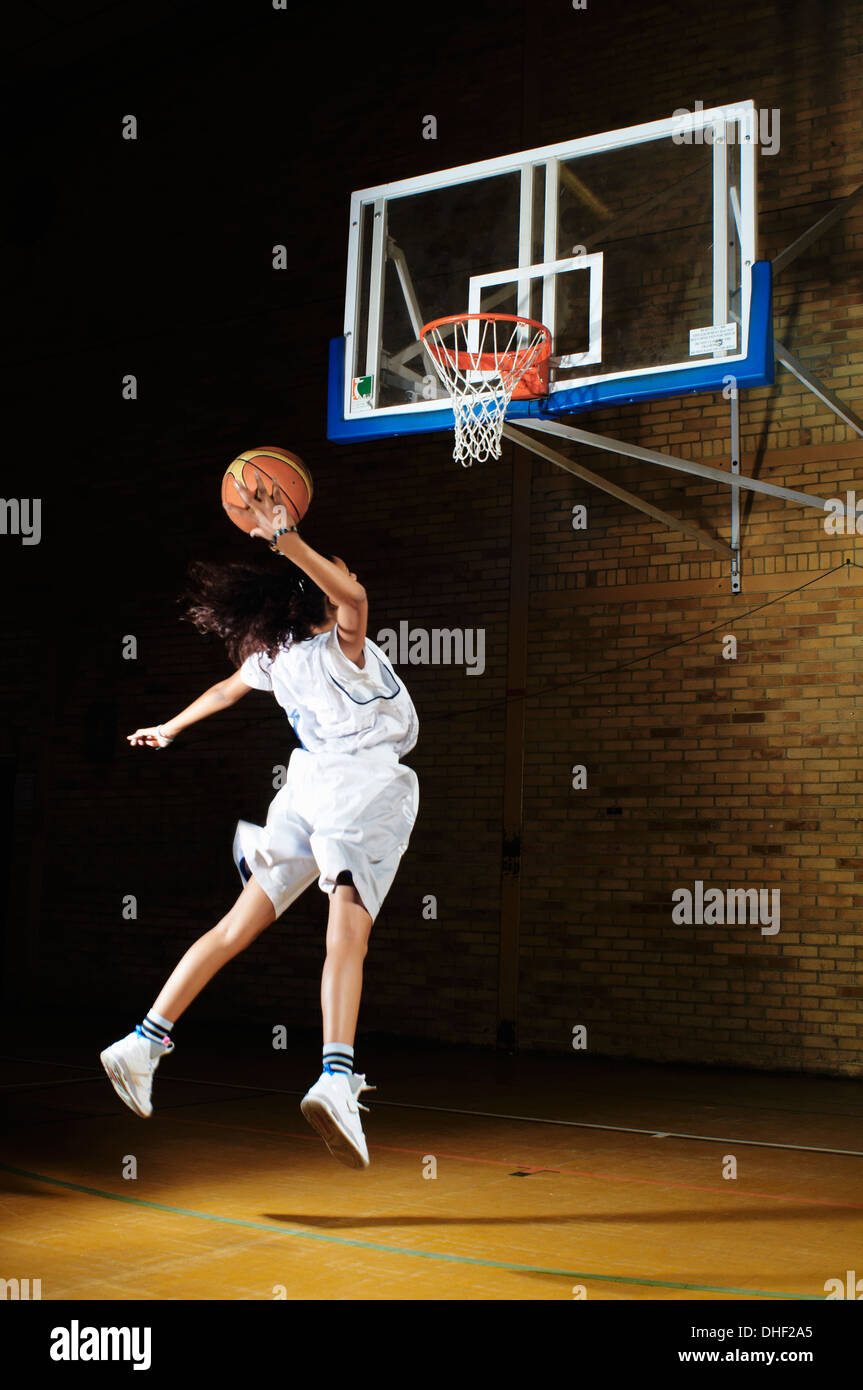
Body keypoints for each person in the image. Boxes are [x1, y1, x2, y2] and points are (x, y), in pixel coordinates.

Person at [100, 469, 419, 1168]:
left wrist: (170, 725)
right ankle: (336, 1077)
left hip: (303, 792)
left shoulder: (273, 657)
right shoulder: (345, 645)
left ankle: (143, 1041)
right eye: (332, 572)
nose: (345, 571)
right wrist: (287, 538)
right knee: (347, 933)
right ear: (315, 596)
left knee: (234, 926)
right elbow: (354, 594)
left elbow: (222, 687)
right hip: (362, 791)